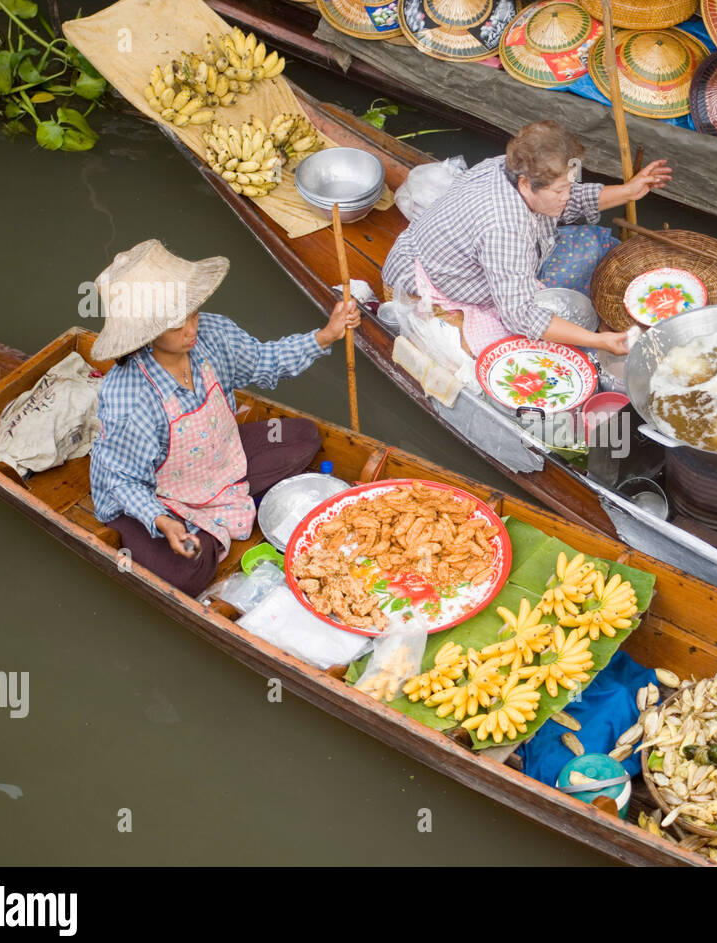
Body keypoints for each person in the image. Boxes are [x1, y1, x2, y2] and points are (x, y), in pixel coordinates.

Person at [88, 239, 360, 597]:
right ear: (147, 333)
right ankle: (173, 529)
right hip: (154, 492)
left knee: (303, 438)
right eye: (175, 325)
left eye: (193, 312)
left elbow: (265, 362)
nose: (191, 329)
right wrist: (164, 522)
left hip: (214, 462)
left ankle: (222, 508)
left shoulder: (211, 335)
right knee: (190, 570)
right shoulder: (130, 397)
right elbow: (122, 481)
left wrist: (326, 335)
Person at [382, 120, 671, 357]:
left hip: (458, 255)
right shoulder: (505, 228)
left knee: (590, 243)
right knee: (514, 354)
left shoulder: (512, 166)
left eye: (568, 185)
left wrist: (628, 191)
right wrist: (598, 342)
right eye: (559, 191)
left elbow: (569, 200)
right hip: (423, 291)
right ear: (524, 183)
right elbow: (520, 315)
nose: (566, 196)